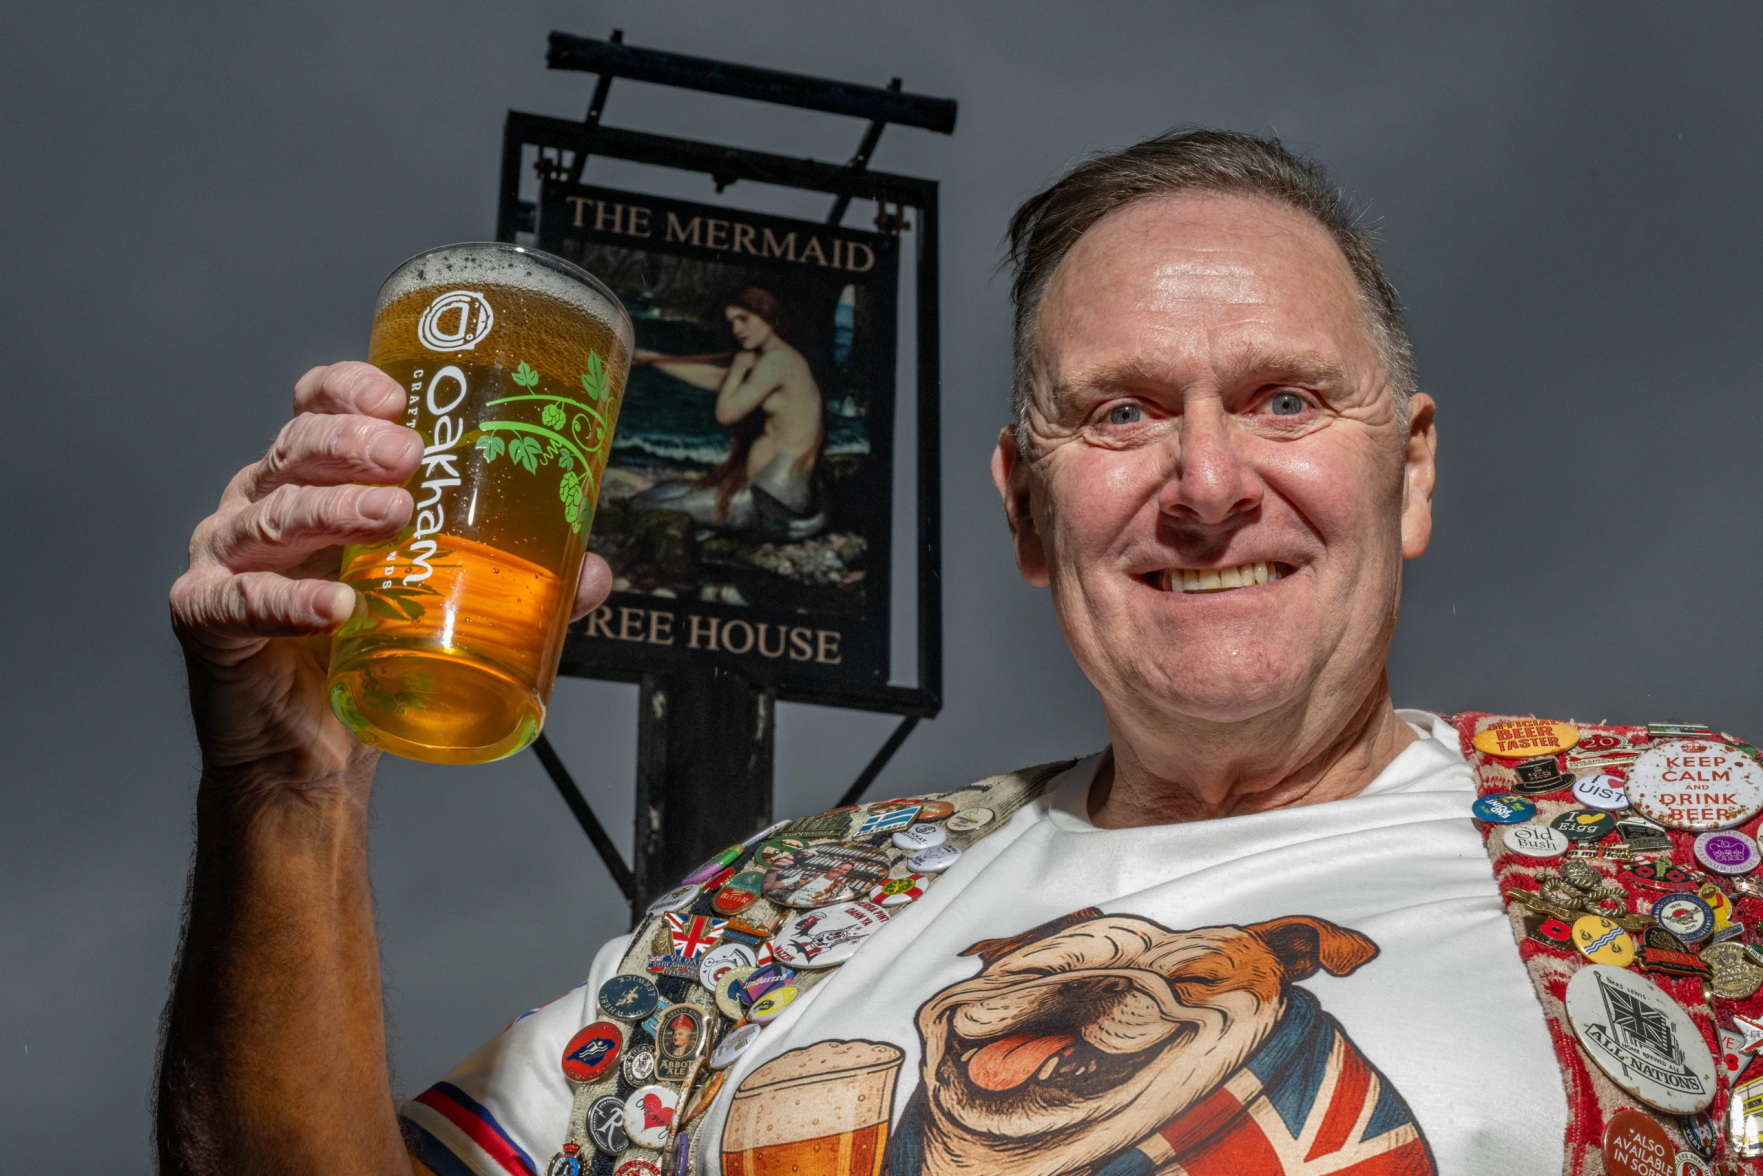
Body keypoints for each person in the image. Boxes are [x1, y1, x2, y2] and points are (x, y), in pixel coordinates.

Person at [159, 128, 1730, 1176]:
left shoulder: (1689, 851)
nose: (1203, 483)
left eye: (1283, 401)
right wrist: (287, 790)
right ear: (1025, 509)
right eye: (1117, 412)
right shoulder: (763, 923)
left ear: (1411, 472)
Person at [630, 287, 827, 538]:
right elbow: (716, 379)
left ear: (768, 317)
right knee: (659, 492)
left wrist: (738, 367)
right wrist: (653, 359)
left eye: (743, 319)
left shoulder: (778, 360)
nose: (736, 329)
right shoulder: (776, 359)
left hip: (774, 501)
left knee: (646, 505)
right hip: (764, 489)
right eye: (732, 322)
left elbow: (726, 413)